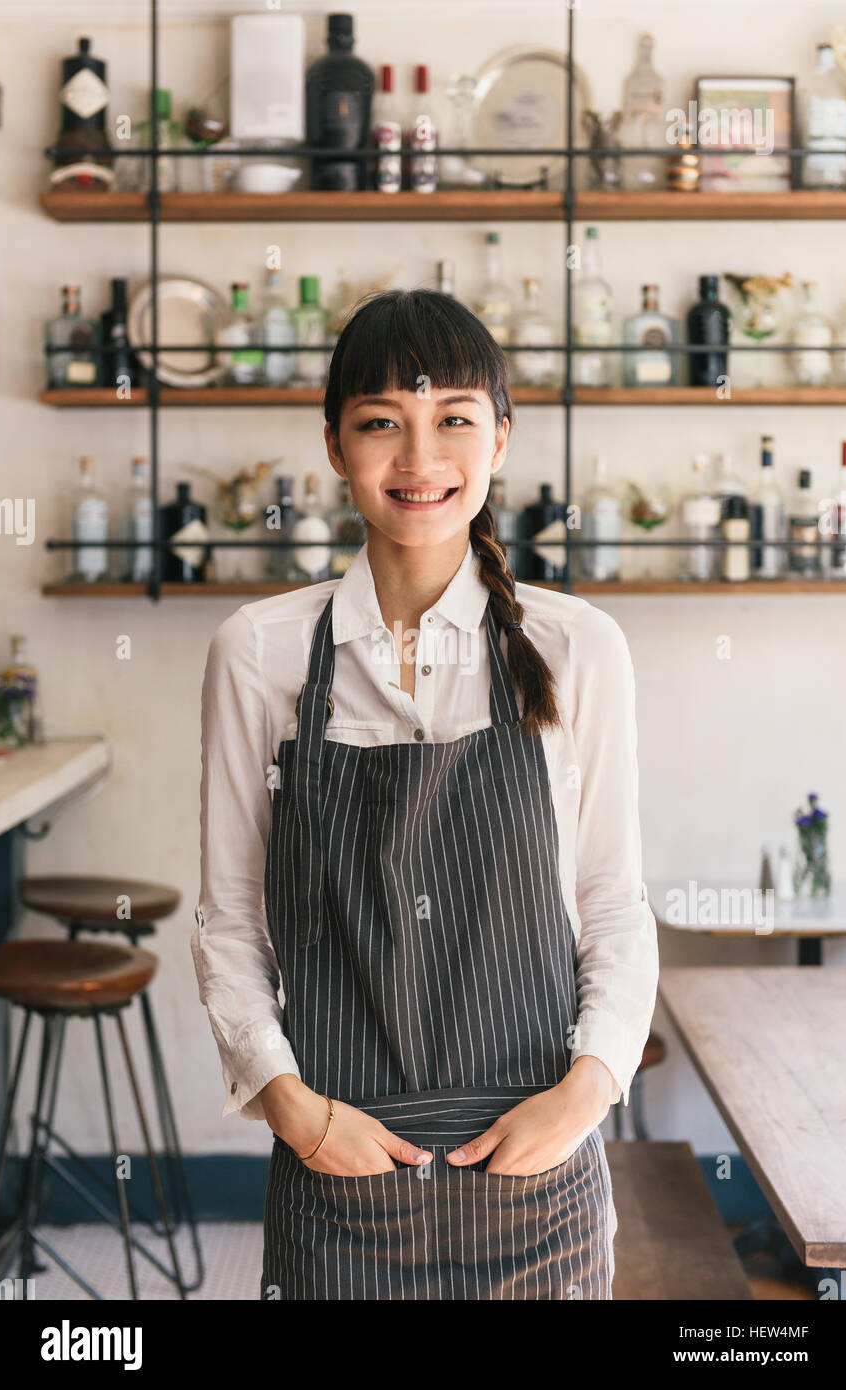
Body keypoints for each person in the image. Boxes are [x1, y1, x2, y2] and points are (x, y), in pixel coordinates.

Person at [193, 288, 659, 1300]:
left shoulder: (578, 647)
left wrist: (586, 1094)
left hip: (539, 1178)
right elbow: (231, 921)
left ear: (501, 436)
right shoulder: (258, 654)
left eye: (453, 417)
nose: (419, 458)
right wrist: (295, 1112)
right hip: (341, 1172)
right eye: (380, 424)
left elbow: (615, 902)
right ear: (333, 445)